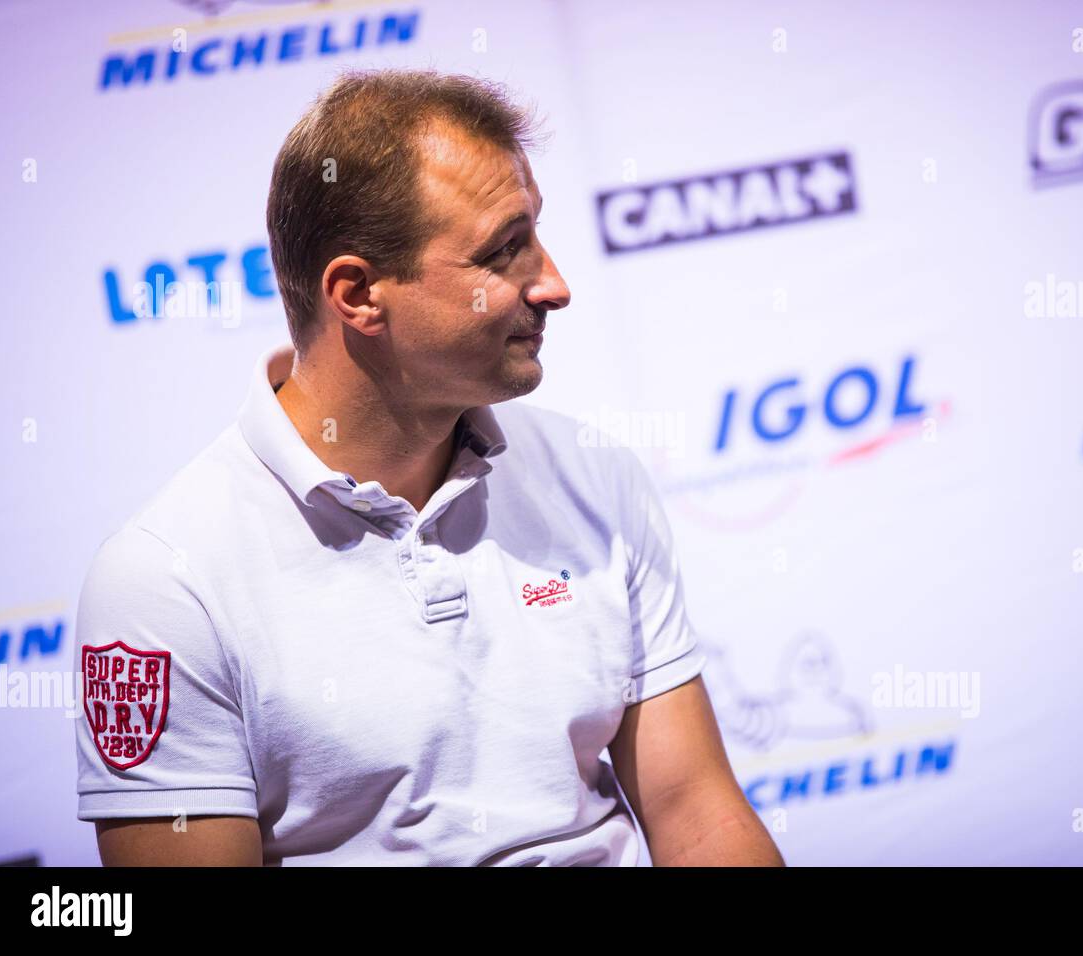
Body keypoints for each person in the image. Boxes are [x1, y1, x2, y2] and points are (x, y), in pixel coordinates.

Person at [74, 67, 784, 867]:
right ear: (358, 294)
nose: (553, 284)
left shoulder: (595, 475)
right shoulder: (164, 581)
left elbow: (698, 816)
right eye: (503, 251)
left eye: (537, 236)